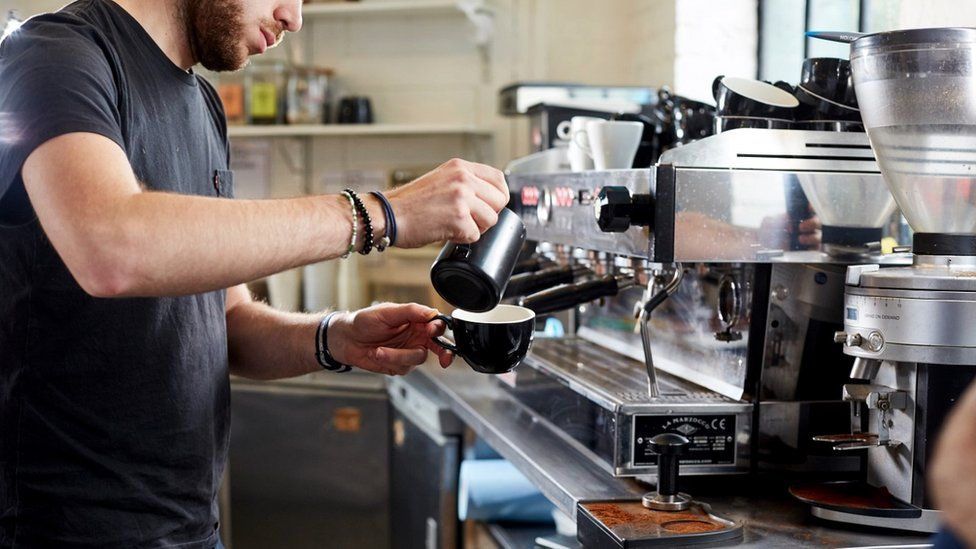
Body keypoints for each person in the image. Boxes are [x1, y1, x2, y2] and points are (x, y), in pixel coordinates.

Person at [0, 0, 509, 546]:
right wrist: (380, 213)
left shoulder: (203, 104)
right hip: (59, 532)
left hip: (190, 528)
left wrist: (334, 337)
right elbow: (111, 246)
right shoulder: (51, 56)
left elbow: (230, 321)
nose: (293, 17)